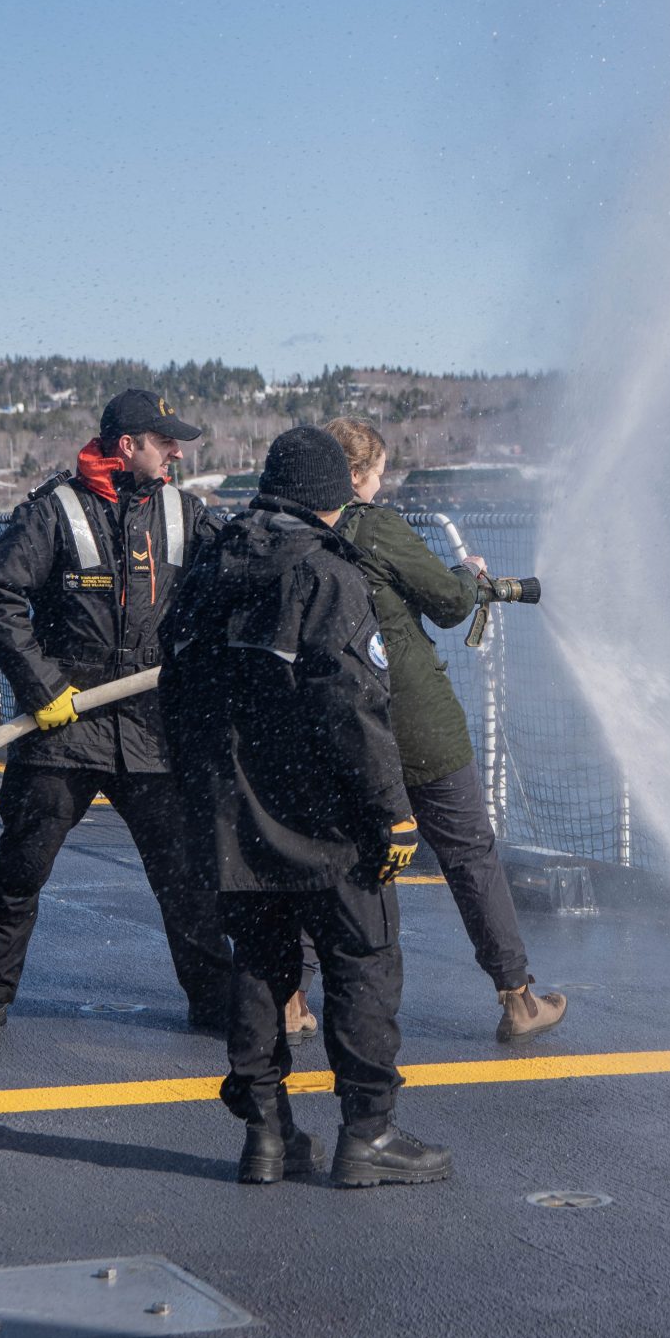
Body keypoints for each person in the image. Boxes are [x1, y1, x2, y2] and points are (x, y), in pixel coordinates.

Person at [161, 425, 451, 1189]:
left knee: (258, 964)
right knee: (364, 959)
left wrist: (205, 797)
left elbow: (177, 682)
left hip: (235, 813)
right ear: (331, 495)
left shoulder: (214, 560)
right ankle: (369, 1132)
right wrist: (392, 812)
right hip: (325, 820)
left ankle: (266, 1133)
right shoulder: (330, 575)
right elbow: (353, 705)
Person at [0, 390, 230, 1039]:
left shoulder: (187, 514)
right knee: (22, 864)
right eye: (166, 442)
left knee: (184, 875)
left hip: (151, 729)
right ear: (128, 445)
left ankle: (215, 1001)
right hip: (64, 727)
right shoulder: (55, 513)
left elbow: (242, 574)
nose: (178, 452)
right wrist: (40, 684)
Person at [325, 416, 568, 1043]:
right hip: (415, 721)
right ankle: (516, 996)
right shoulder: (375, 526)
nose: (383, 484)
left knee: (332, 854)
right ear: (357, 476)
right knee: (469, 854)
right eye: (380, 473)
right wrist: (468, 574)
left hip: (340, 725)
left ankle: (296, 1001)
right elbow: (451, 603)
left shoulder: (305, 536)